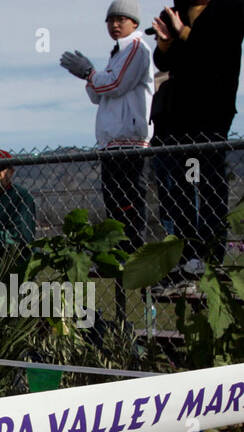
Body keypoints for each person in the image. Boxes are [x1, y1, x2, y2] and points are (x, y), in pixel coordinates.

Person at [150, 0, 244, 275]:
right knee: (179, 187)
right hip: (178, 113)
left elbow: (217, 53)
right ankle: (186, 254)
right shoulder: (178, 11)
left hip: (212, 110)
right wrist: (166, 43)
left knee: (209, 183)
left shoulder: (229, 9)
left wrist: (183, 32)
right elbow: (165, 62)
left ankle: (211, 255)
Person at [59, 0, 155, 251]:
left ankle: (133, 249)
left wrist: (90, 73)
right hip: (112, 140)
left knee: (130, 199)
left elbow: (115, 84)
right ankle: (118, 249)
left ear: (134, 23)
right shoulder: (118, 54)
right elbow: (98, 95)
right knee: (114, 200)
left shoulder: (136, 48)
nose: (114, 24)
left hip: (131, 139)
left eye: (121, 19)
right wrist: (90, 77)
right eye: (111, 20)